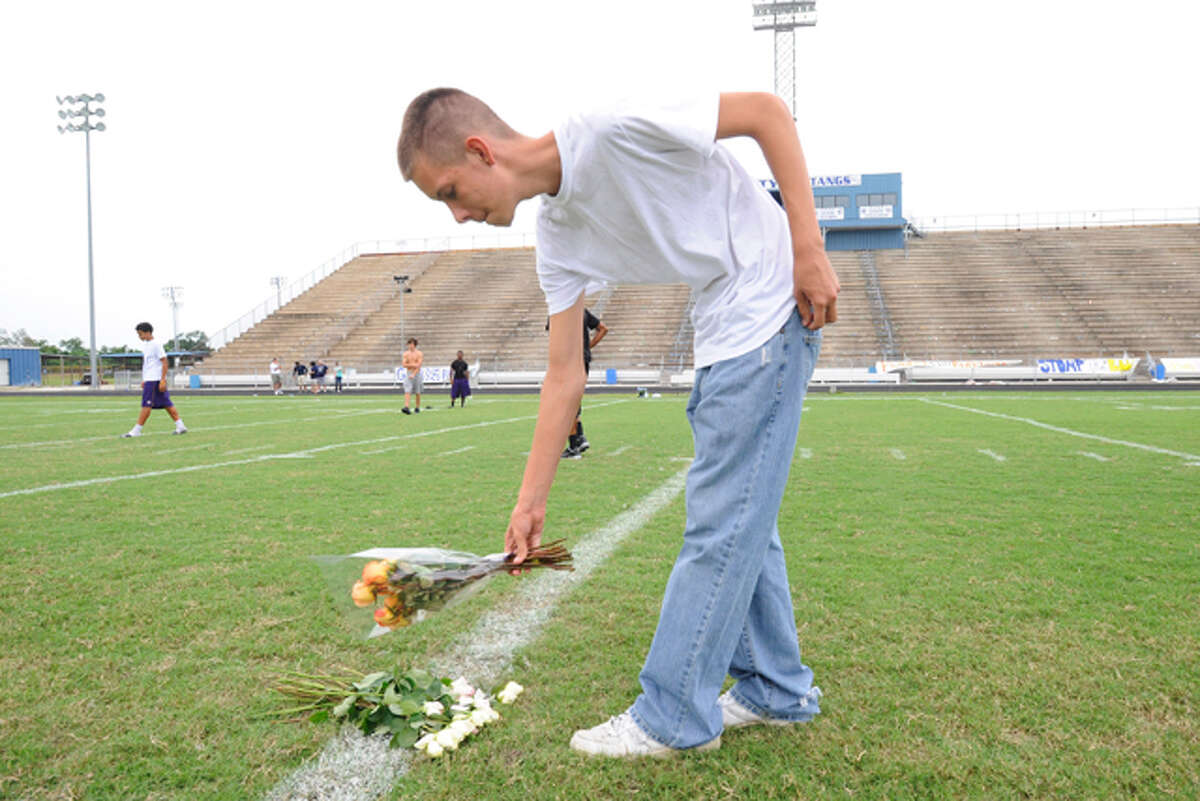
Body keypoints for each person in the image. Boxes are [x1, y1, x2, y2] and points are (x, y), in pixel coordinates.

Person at [398, 88, 839, 757]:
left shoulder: (605, 131)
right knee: (742, 513)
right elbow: (563, 375)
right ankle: (775, 688)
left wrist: (808, 245)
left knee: (722, 520)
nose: (458, 214)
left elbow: (766, 114)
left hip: (769, 301)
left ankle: (673, 716)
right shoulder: (557, 237)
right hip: (723, 320)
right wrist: (529, 505)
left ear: (481, 151)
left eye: (450, 192)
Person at [548, 308, 606, 458]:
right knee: (573, 403)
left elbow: (554, 338)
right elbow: (603, 329)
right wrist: (588, 347)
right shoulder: (582, 311)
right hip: (583, 360)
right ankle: (579, 438)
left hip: (568, 361)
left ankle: (575, 444)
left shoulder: (557, 311)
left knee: (566, 404)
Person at [123, 322, 187, 437]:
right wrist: (144, 379)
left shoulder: (156, 344)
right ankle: (180, 426)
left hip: (155, 380)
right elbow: (147, 364)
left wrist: (163, 380)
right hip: (150, 379)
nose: (139, 336)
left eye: (140, 334)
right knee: (167, 404)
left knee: (146, 405)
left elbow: (164, 361)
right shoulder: (146, 346)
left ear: (147, 332)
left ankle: (136, 431)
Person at [401, 337, 423, 413]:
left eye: (411, 344)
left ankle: (417, 407)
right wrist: (413, 365)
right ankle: (406, 406)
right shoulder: (406, 354)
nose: (410, 346)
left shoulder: (419, 353)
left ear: (414, 345)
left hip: (417, 373)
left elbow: (419, 365)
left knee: (417, 391)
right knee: (407, 390)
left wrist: (414, 373)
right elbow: (404, 364)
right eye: (409, 344)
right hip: (409, 372)